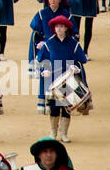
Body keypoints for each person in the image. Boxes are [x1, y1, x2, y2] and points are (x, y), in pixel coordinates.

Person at [35, 14, 89, 142]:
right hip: (53, 80)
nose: (59, 29)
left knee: (66, 107)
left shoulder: (74, 44)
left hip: (69, 79)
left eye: (61, 27)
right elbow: (41, 61)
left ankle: (64, 133)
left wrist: (77, 68)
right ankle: (53, 132)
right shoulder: (48, 44)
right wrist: (45, 70)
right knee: (54, 107)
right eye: (57, 27)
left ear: (66, 28)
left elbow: (81, 60)